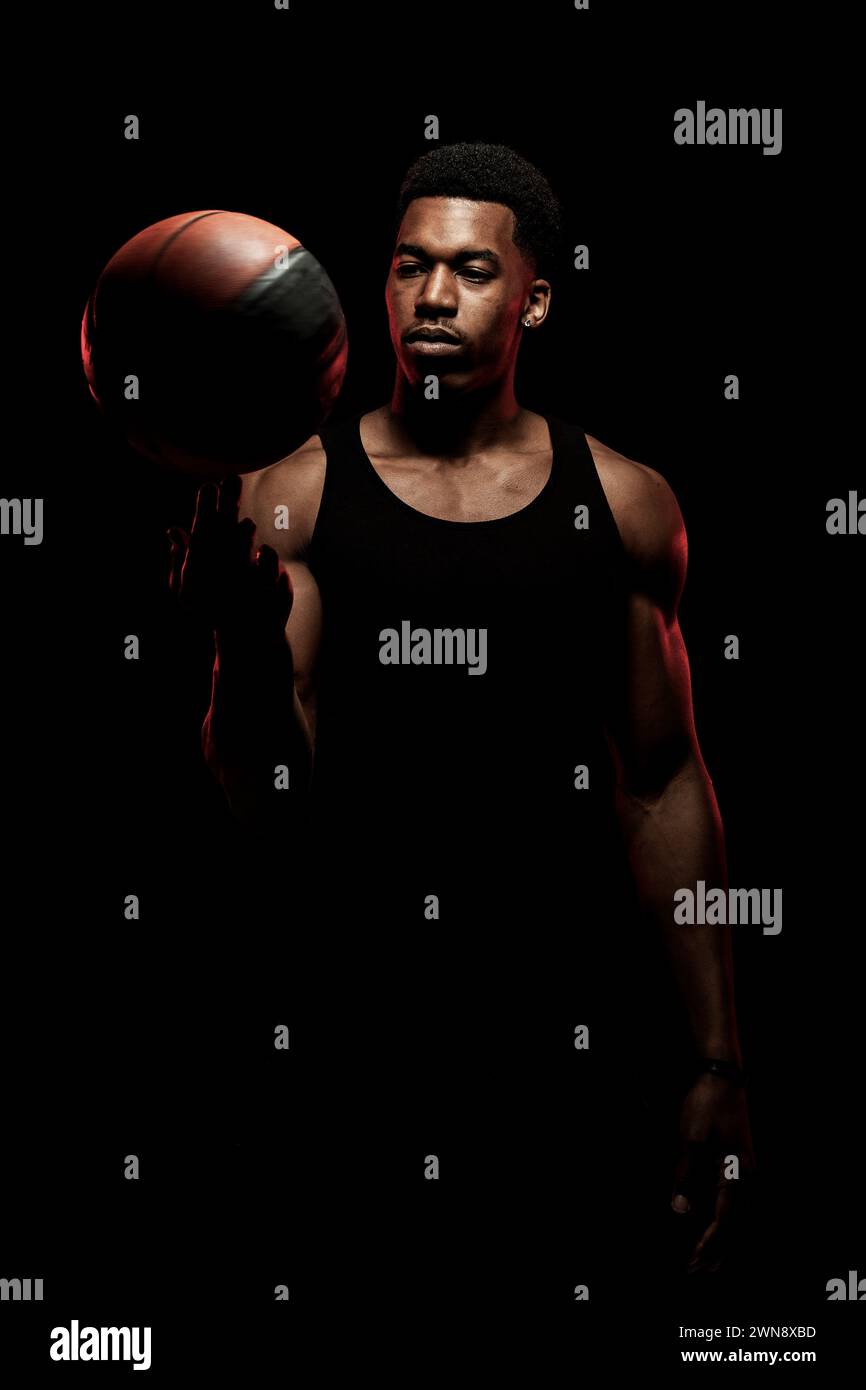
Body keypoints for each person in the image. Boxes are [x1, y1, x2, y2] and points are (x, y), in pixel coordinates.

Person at [167, 142, 756, 1282]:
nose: (431, 297)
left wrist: (716, 1061)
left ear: (533, 295)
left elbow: (662, 781)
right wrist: (235, 639)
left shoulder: (624, 504)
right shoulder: (291, 490)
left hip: (565, 1037)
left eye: (472, 270)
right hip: (343, 1035)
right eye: (407, 265)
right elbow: (264, 794)